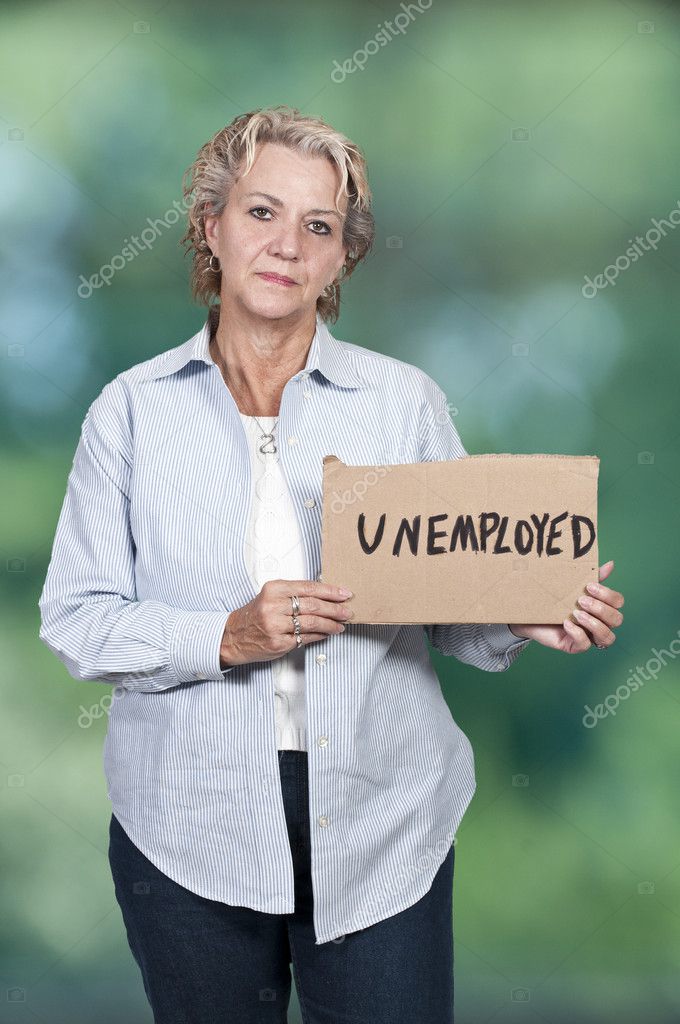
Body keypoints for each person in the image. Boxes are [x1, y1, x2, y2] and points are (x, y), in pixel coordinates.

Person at [37, 106, 625, 1024]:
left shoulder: (402, 403)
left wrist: (518, 609)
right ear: (210, 227)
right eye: (261, 213)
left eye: (319, 226)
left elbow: (446, 600)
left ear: (343, 258)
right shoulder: (131, 412)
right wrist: (227, 635)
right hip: (187, 825)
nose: (288, 246)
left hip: (383, 814)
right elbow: (78, 620)